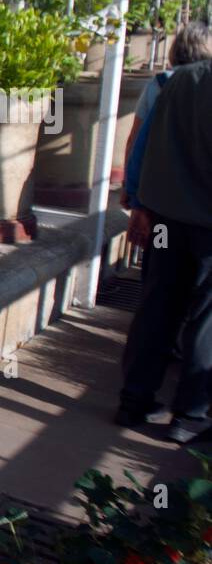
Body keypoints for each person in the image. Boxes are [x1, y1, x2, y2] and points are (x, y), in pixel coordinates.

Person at [116, 55, 212, 443]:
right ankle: (189, 417)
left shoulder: (180, 80)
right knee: (206, 317)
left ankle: (134, 400)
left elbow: (145, 142)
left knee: (157, 303)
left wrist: (138, 201)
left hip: (165, 220)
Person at [121, 21, 212, 247]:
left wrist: (131, 191)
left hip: (161, 204)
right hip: (202, 215)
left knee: (161, 258)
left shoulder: (160, 84)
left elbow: (136, 140)